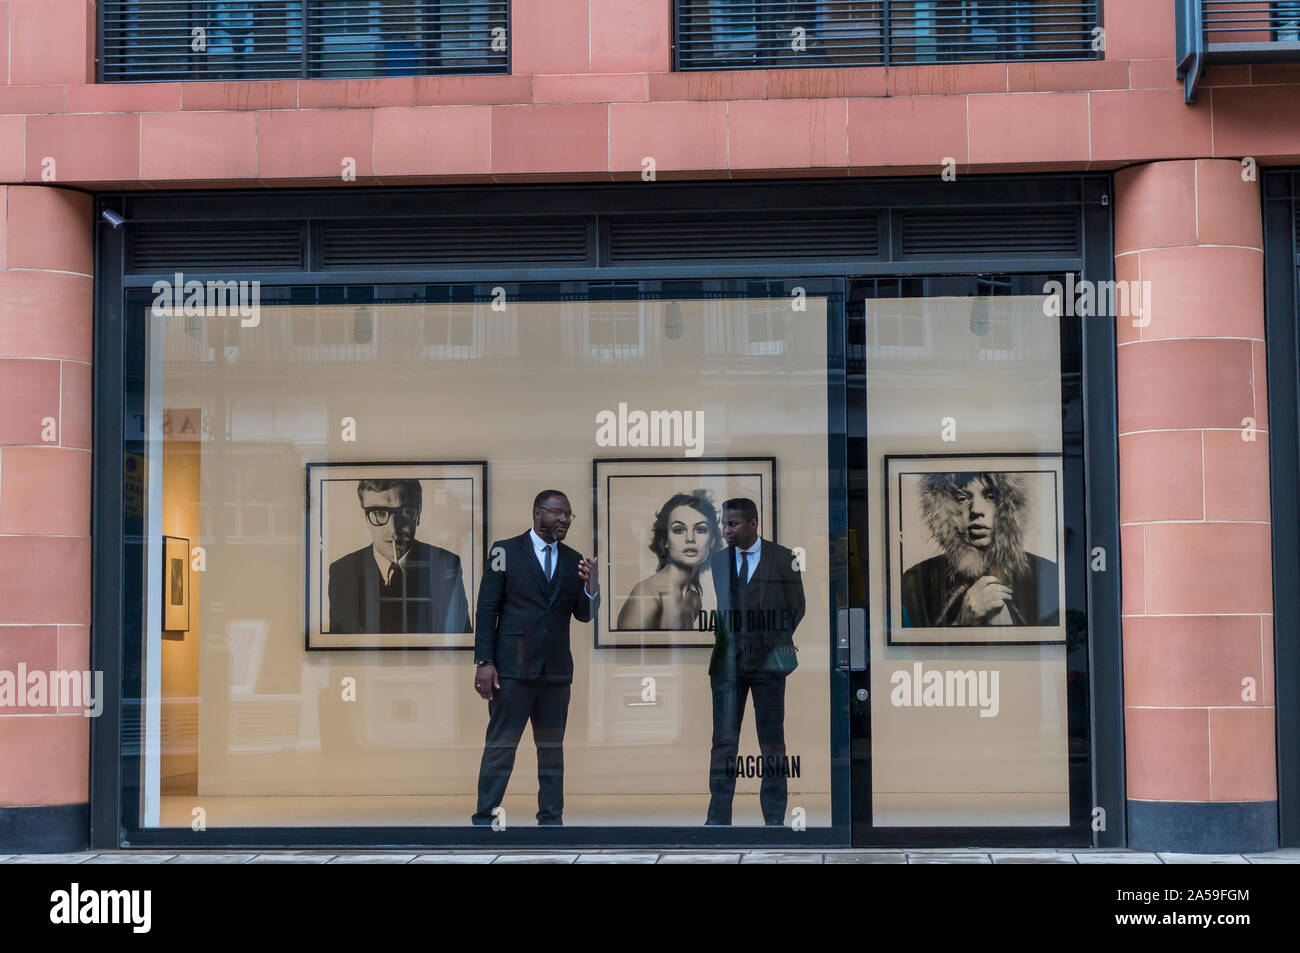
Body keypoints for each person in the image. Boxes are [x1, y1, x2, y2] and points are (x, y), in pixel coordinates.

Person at [471, 490, 599, 827]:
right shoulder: (505, 551)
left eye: (569, 515)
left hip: (555, 673)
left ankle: (551, 820)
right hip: (511, 670)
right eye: (558, 513)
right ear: (537, 512)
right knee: (501, 747)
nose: (565, 520)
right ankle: (485, 818)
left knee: (552, 750)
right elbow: (487, 609)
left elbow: (584, 616)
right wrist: (484, 661)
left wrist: (592, 588)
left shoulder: (574, 560)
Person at [705, 497, 805, 827]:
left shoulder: (784, 557)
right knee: (723, 743)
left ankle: (774, 819)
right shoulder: (718, 561)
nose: (726, 530)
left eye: (732, 524)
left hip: (770, 665)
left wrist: (772, 638)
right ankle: (718, 820)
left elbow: (797, 606)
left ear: (753, 524)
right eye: (724, 524)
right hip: (728, 667)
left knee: (773, 743)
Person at [900, 471, 1059, 628]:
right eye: (962, 498)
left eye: (991, 497)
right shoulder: (916, 582)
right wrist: (963, 621)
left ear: (1011, 507)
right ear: (943, 511)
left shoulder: (1048, 575)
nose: (976, 510)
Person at [327, 478, 470, 635]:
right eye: (379, 513)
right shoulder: (342, 571)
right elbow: (339, 643)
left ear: (419, 513)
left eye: (405, 512)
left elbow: (460, 639)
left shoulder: (446, 564)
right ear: (365, 518)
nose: (394, 529)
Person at [615, 489, 723, 631]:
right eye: (679, 530)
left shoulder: (694, 600)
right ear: (665, 540)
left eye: (700, 530)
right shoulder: (648, 596)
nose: (690, 539)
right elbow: (627, 652)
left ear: (712, 540)